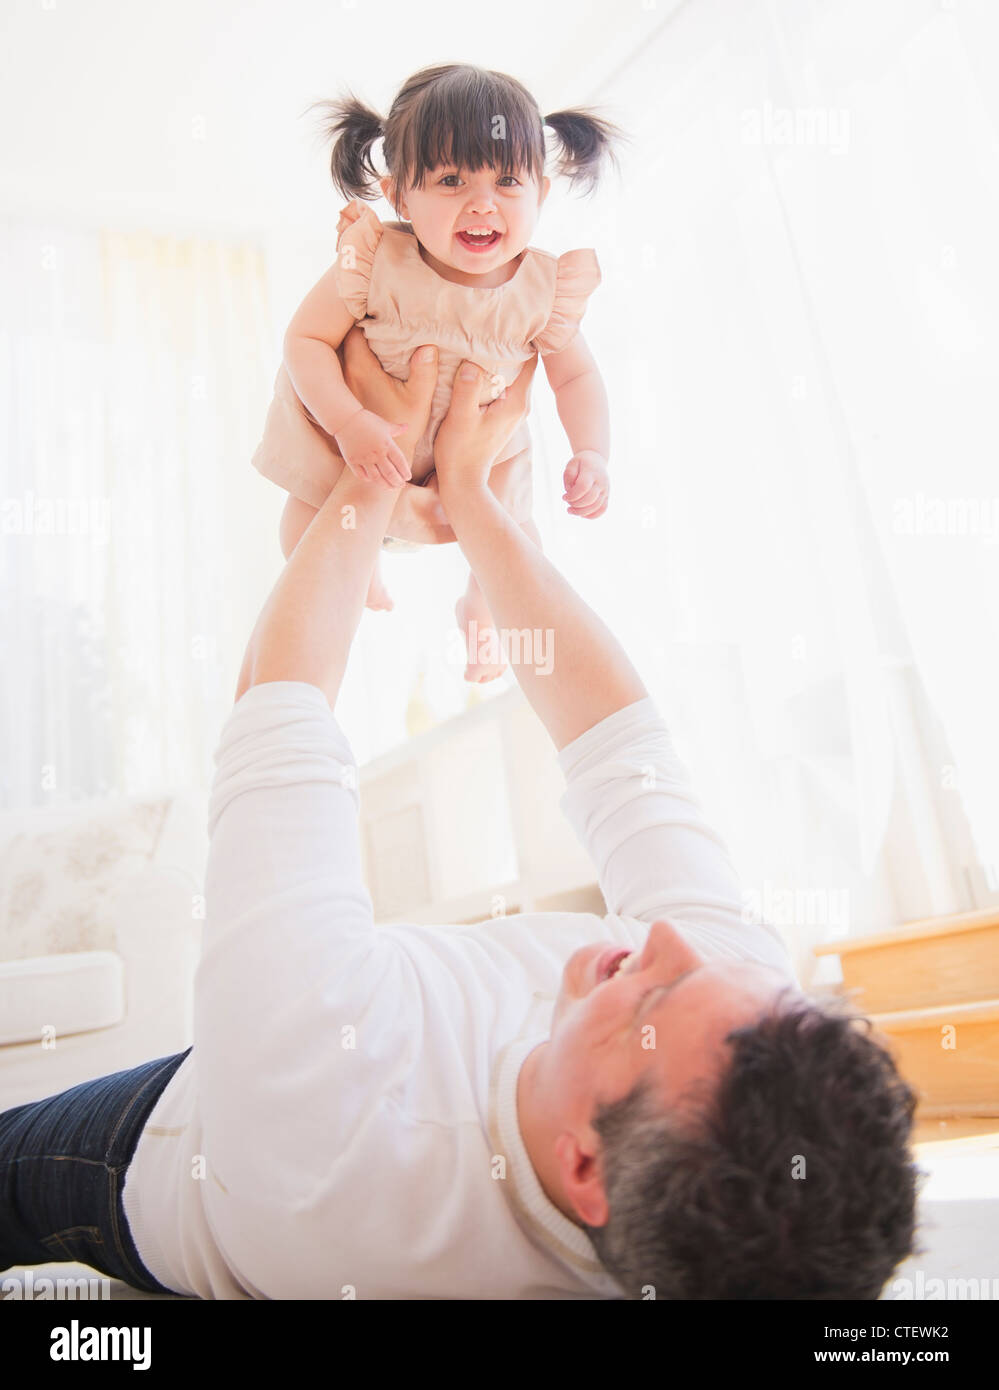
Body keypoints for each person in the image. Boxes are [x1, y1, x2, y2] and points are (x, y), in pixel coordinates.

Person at [0, 331, 920, 1301]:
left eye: (648, 997)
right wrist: (475, 497)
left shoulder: (321, 1085)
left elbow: (282, 696)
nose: (669, 941)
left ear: (582, 1169)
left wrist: (378, 461)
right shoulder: (738, 1018)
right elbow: (618, 739)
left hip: (185, 1164)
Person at [252, 62, 621, 680]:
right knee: (300, 522)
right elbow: (306, 340)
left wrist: (594, 452)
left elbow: (577, 378)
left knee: (520, 541)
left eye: (507, 180)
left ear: (541, 194)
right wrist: (347, 422)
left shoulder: (544, 290)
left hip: (479, 461)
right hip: (365, 449)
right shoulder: (374, 261)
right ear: (399, 194)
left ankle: (481, 605)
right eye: (451, 179)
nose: (483, 203)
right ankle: (353, 568)